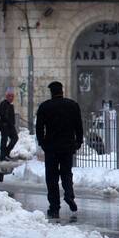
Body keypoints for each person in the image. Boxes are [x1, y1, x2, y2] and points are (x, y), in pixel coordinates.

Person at [36, 81, 84, 219]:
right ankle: (69, 195)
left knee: (52, 178)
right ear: (62, 91)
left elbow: (39, 127)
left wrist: (42, 142)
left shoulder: (45, 107)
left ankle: (54, 207)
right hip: (67, 146)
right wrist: (78, 142)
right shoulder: (72, 105)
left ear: (51, 92)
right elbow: (78, 126)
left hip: (51, 147)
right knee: (66, 173)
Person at [0, 90, 19, 161]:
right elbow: (3, 115)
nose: (11, 98)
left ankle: (6, 153)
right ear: (6, 96)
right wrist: (8, 123)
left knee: (15, 138)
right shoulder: (4, 104)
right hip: (5, 126)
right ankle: (3, 156)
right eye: (10, 96)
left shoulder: (10, 105)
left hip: (10, 126)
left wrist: (12, 124)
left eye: (12, 96)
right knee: (4, 140)